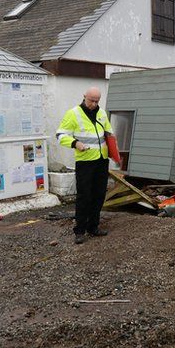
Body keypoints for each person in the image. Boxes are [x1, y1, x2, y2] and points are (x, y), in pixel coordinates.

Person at [56, 87, 113, 244]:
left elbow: (108, 132)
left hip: (102, 160)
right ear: (84, 97)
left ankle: (93, 227)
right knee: (84, 196)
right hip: (85, 162)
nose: (94, 104)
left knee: (99, 195)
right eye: (91, 101)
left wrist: (114, 148)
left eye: (97, 101)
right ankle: (80, 230)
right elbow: (60, 135)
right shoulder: (73, 114)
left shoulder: (101, 113)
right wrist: (75, 143)